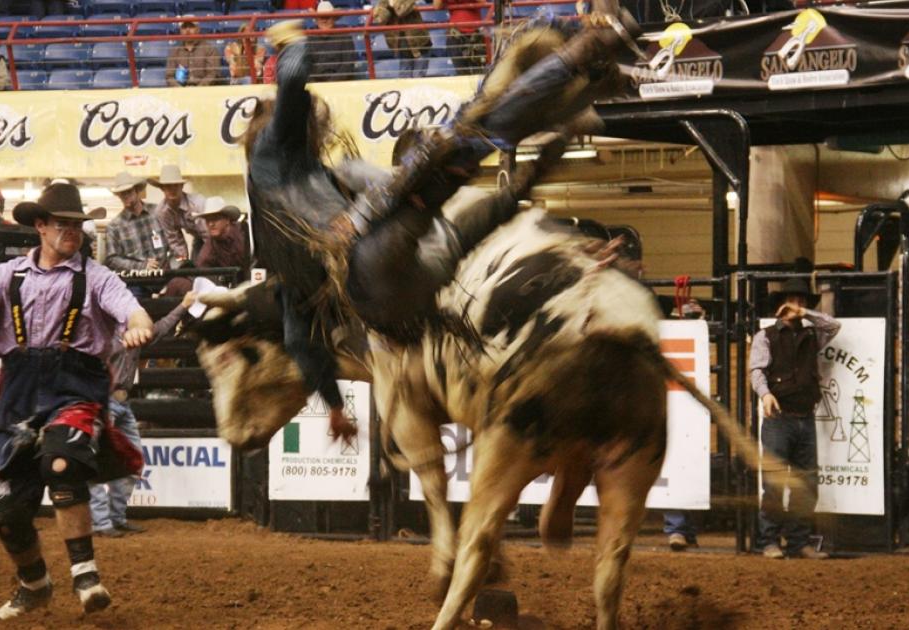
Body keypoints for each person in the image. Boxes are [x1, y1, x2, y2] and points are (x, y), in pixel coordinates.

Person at [244, 10, 639, 445]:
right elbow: (295, 79)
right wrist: (290, 43)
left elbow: (299, 343)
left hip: (402, 302)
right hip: (376, 267)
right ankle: (578, 74)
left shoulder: (284, 239)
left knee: (474, 147)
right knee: (465, 140)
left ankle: (579, 102)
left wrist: (335, 407)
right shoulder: (273, 153)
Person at [0, 182, 154, 618]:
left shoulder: (96, 276)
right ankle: (34, 583)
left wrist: (137, 325)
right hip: (18, 388)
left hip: (75, 384)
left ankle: (85, 574)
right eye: (62, 224)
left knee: (63, 460)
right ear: (40, 226)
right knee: (3, 510)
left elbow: (133, 309)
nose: (72, 232)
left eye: (77, 225)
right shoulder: (7, 275)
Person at [90, 291, 195, 538]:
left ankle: (114, 518)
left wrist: (183, 305)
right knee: (96, 461)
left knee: (131, 459)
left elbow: (159, 329)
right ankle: (102, 522)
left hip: (120, 402)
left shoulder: (130, 331)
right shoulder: (103, 334)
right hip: (103, 402)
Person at [750, 275, 840, 560]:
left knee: (806, 484)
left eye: (801, 301)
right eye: (792, 301)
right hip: (780, 417)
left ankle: (798, 541)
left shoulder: (812, 333)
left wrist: (805, 313)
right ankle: (769, 541)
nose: (796, 306)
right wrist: (765, 394)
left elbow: (833, 325)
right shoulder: (766, 336)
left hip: (804, 416)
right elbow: (757, 371)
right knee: (775, 484)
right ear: (780, 305)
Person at [150, 164, 207, 261]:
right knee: (191, 268)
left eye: (175, 185)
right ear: (162, 188)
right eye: (168, 186)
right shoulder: (162, 212)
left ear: (182, 186)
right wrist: (183, 261)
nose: (172, 190)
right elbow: (174, 240)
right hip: (198, 238)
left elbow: (207, 233)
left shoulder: (197, 203)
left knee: (207, 263)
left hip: (212, 238)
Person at [371, 0, 432, 78]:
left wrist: (393, 4)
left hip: (420, 42)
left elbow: (401, 11)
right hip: (401, 44)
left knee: (419, 77)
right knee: (404, 77)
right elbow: (380, 19)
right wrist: (389, 5)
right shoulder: (385, 1)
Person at [194, 197, 251, 277]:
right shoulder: (209, 247)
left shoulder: (246, 232)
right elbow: (201, 268)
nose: (210, 224)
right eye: (208, 220)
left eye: (215, 219)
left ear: (227, 220)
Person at [309, 1, 360, 82]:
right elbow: (307, 65)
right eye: (321, 17)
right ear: (317, 19)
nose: (324, 21)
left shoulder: (344, 35)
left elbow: (348, 63)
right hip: (316, 84)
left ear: (334, 19)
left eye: (327, 17)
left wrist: (332, 82)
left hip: (340, 84)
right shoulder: (309, 37)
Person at [166, 17, 221, 87]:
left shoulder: (210, 49)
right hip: (180, 92)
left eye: (191, 27)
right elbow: (169, 76)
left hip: (204, 92)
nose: (187, 30)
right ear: (180, 31)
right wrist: (180, 90)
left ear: (198, 29)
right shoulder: (174, 52)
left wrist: (197, 90)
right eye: (184, 27)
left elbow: (213, 74)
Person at [434, 0, 485, 73]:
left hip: (475, 34)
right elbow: (436, 6)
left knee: (477, 71)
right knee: (461, 71)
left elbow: (483, 2)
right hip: (455, 34)